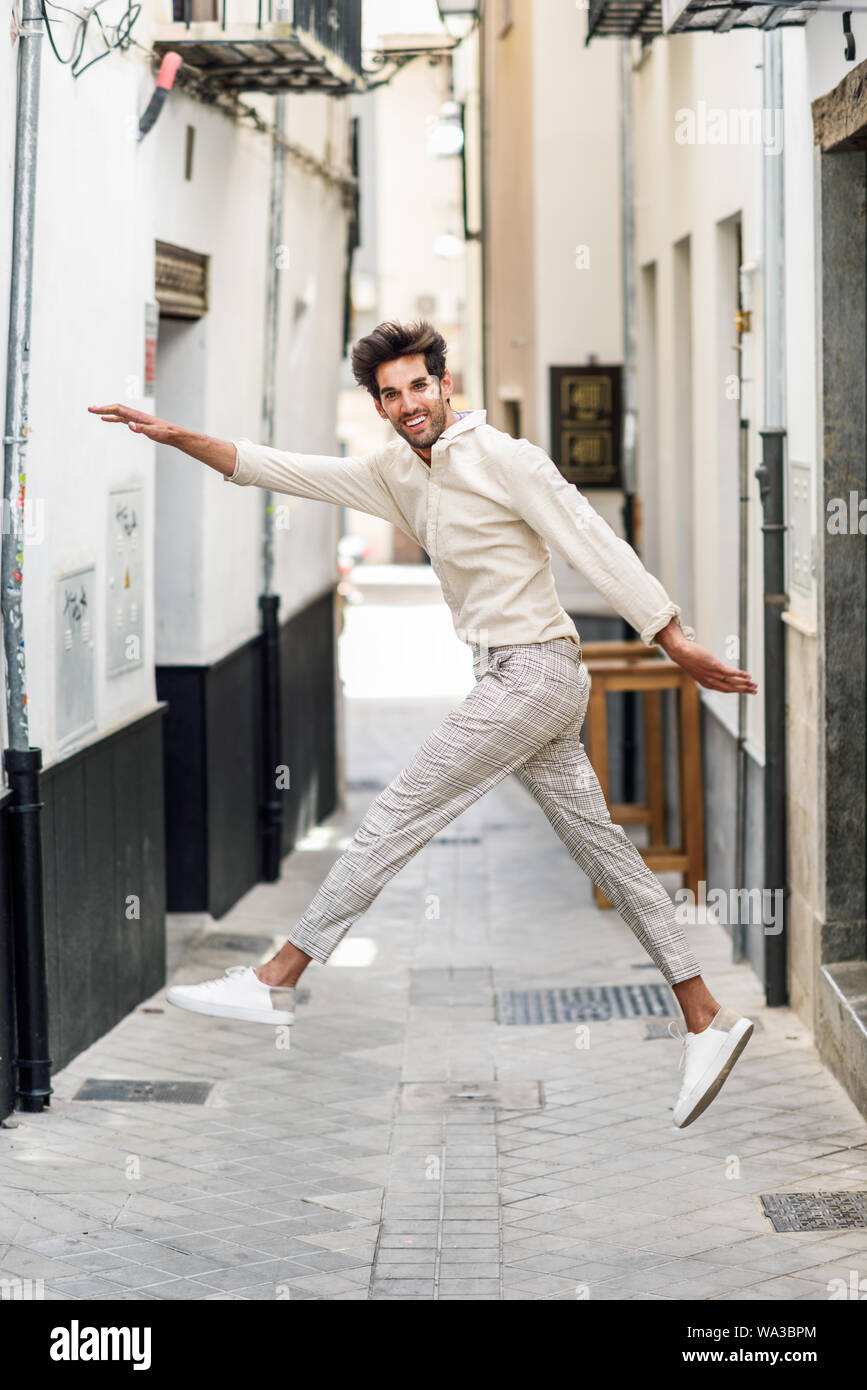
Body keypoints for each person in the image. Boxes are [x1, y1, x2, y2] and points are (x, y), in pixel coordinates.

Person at [89, 319, 758, 1128]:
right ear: (377, 404)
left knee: (400, 809)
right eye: (389, 394)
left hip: (534, 672)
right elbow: (280, 469)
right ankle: (704, 1017)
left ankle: (278, 977)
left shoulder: (504, 458)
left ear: (445, 384)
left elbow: (590, 539)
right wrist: (170, 434)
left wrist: (672, 638)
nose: (408, 404)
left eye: (418, 386)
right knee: (607, 853)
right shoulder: (395, 473)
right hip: (513, 677)